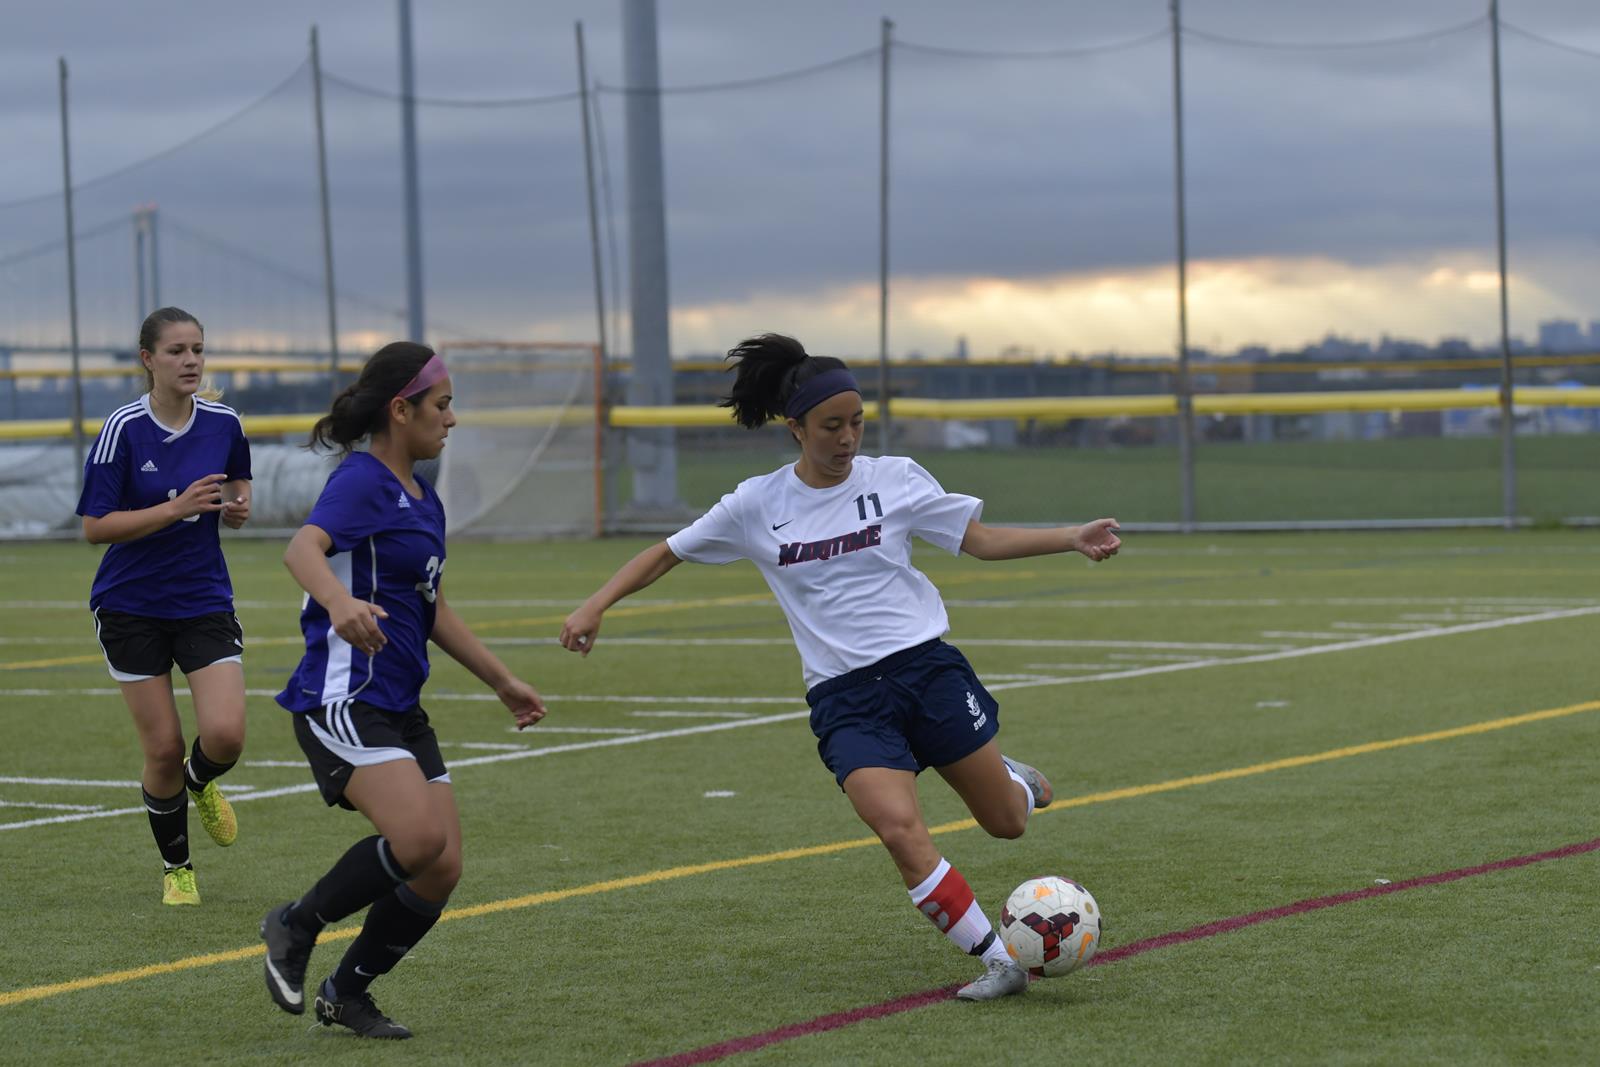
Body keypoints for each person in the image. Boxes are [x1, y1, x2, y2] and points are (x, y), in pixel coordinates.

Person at [559, 334, 1121, 1001]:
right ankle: (1000, 962)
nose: (848, 437)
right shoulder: (755, 504)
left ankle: (1013, 780)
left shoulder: (896, 478)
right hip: (847, 700)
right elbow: (665, 552)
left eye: (856, 422)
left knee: (1006, 823)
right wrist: (595, 604)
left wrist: (1069, 537)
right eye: (832, 425)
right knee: (899, 829)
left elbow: (978, 539)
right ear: (795, 427)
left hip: (928, 672)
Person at [260, 341, 547, 1040]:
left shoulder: (426, 498)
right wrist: (338, 602)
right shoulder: (362, 480)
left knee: (440, 866)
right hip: (342, 696)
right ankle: (294, 924)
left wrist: (501, 680)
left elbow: (433, 607)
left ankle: (345, 993)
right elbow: (302, 548)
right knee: (417, 838)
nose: (451, 419)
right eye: (441, 405)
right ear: (400, 409)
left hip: (398, 705)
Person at [76, 306, 252, 907]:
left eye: (197, 349)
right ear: (148, 360)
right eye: (177, 351)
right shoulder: (123, 428)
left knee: (225, 735)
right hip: (130, 605)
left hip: (202, 598)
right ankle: (178, 870)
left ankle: (199, 784)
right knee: (162, 748)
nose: (191, 360)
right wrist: (175, 509)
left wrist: (237, 506)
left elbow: (238, 480)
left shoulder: (224, 422)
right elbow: (95, 527)